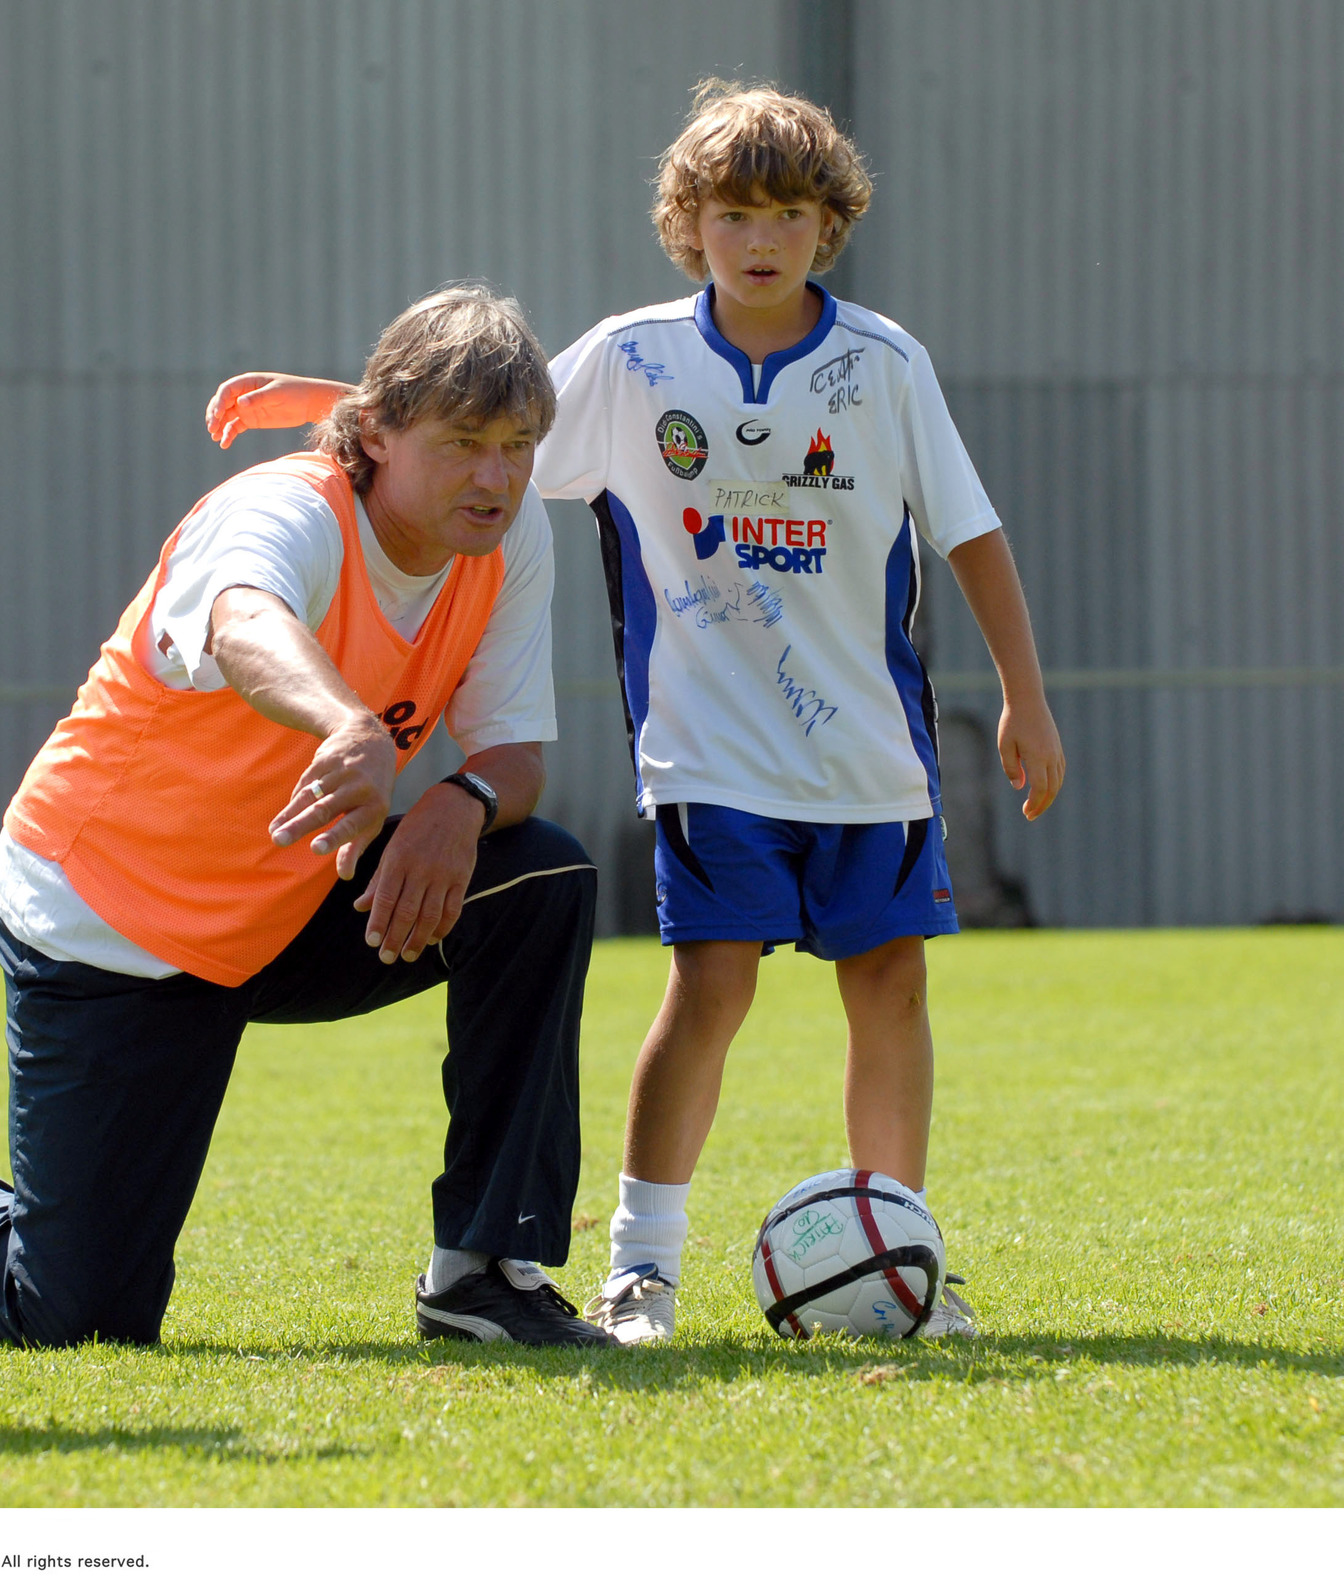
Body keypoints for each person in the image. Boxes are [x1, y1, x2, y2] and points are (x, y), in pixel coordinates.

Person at [204, 81, 1065, 1345]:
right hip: (708, 755)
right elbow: (483, 437)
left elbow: (971, 533)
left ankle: (893, 1253)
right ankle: (641, 1270)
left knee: (890, 991)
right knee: (706, 988)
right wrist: (335, 403)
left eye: (786, 212)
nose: (758, 238)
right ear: (689, 221)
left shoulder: (882, 366)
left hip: (869, 758)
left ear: (829, 224)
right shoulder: (629, 359)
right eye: (731, 212)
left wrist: (1024, 701)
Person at [0, 287, 607, 1349]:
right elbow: (243, 617)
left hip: (294, 899)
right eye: (461, 444)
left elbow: (513, 753)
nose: (494, 476)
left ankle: (481, 1270)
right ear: (377, 432)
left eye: (516, 444)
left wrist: (464, 797)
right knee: (78, 1318)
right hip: (112, 921)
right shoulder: (279, 508)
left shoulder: (505, 532)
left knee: (538, 876)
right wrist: (349, 725)